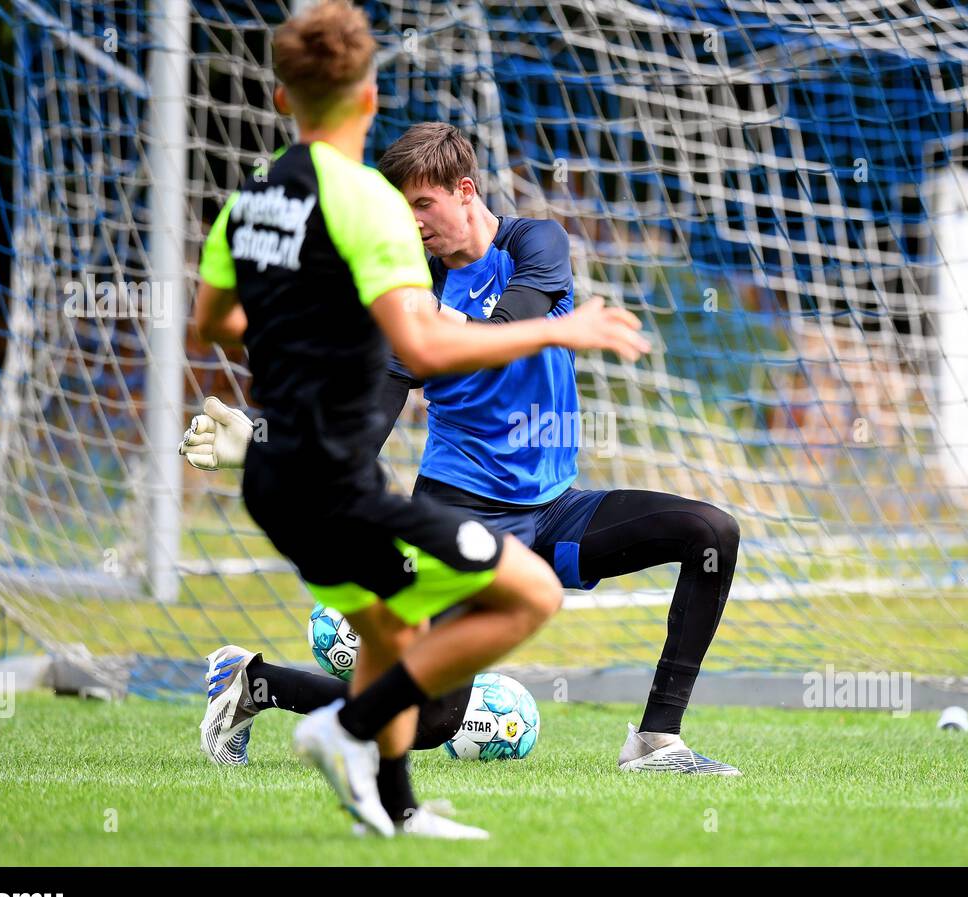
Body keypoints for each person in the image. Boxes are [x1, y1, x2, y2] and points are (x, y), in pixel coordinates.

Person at [192, 0, 649, 840]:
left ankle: (388, 806)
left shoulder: (252, 202)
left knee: (392, 636)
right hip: (342, 485)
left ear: (283, 97)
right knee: (529, 593)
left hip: (279, 472)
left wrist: (281, 394)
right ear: (367, 96)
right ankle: (344, 732)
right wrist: (564, 326)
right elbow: (426, 352)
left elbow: (213, 325)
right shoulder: (369, 207)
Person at [190, 121, 743, 781]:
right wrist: (261, 439)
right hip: (460, 520)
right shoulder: (410, 297)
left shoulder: (532, 242)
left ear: (465, 191)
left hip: (552, 510)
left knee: (711, 531)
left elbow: (512, 323)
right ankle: (254, 684)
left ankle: (656, 741)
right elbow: (365, 419)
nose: (414, 224)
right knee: (426, 723)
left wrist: (430, 325)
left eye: (423, 205)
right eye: (401, 213)